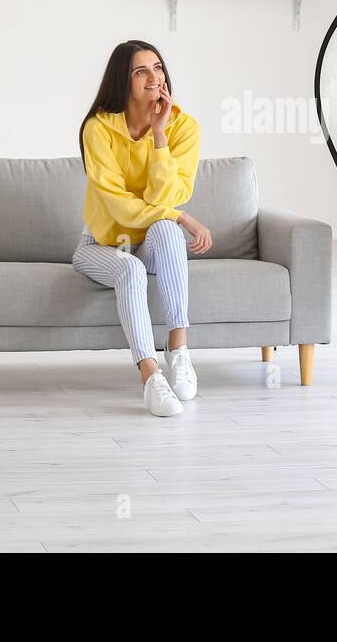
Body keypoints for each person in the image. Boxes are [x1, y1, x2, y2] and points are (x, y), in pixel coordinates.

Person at [73, 41, 211, 418]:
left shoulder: (184, 127)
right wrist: (182, 216)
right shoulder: (98, 128)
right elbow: (117, 203)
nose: (154, 77)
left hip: (150, 244)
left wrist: (159, 135)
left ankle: (178, 349)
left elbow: (169, 193)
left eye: (158, 67)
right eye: (141, 71)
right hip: (101, 244)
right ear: (123, 79)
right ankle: (150, 376)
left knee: (165, 230)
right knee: (137, 259)